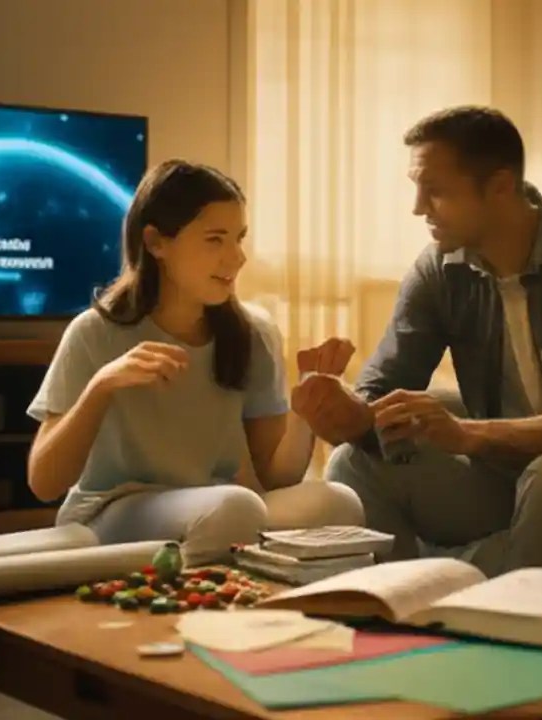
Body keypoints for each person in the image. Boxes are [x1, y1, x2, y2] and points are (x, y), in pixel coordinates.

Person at [291, 105, 542, 576]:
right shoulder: (439, 268)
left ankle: (504, 618)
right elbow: (382, 392)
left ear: (500, 187)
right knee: (352, 463)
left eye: (435, 191)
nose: (418, 207)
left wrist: (466, 434)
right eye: (417, 189)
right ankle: (396, 612)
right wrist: (348, 414)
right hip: (497, 473)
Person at [26, 159, 364, 566]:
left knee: (338, 502)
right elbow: (44, 482)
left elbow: (277, 477)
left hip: (218, 508)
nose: (236, 257)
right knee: (234, 509)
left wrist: (306, 411)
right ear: (155, 243)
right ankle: (201, 608)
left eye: (239, 239)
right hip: (114, 511)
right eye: (215, 239)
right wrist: (103, 385)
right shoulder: (94, 332)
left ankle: (288, 604)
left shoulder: (254, 333)